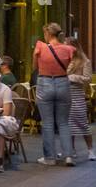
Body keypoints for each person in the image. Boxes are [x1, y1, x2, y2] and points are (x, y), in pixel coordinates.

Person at [32, 22, 76, 166]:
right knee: (63, 122)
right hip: (63, 82)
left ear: (48, 34)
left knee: (48, 123)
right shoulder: (69, 49)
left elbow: (35, 66)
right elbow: (72, 66)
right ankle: (68, 155)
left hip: (45, 82)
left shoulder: (40, 47)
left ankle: (50, 157)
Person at [65, 40, 94, 162]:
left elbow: (88, 79)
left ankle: (90, 150)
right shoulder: (66, 61)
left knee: (83, 123)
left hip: (77, 95)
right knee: (69, 124)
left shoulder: (85, 62)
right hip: (66, 95)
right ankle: (71, 150)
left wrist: (73, 77)